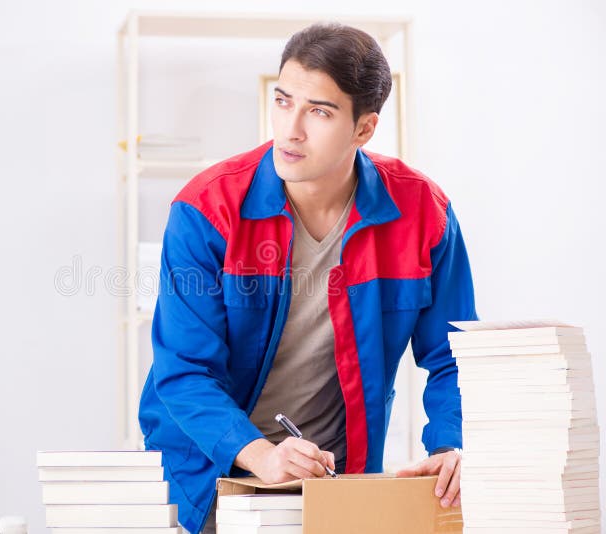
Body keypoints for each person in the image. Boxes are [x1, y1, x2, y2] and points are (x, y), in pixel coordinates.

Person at [138, 22, 477, 534]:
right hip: (212, 472)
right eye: (283, 101)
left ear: (364, 129)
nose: (290, 129)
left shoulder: (423, 214)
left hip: (338, 481)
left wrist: (450, 445)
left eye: (319, 111)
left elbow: (454, 355)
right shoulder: (207, 210)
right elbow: (184, 370)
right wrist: (258, 454)